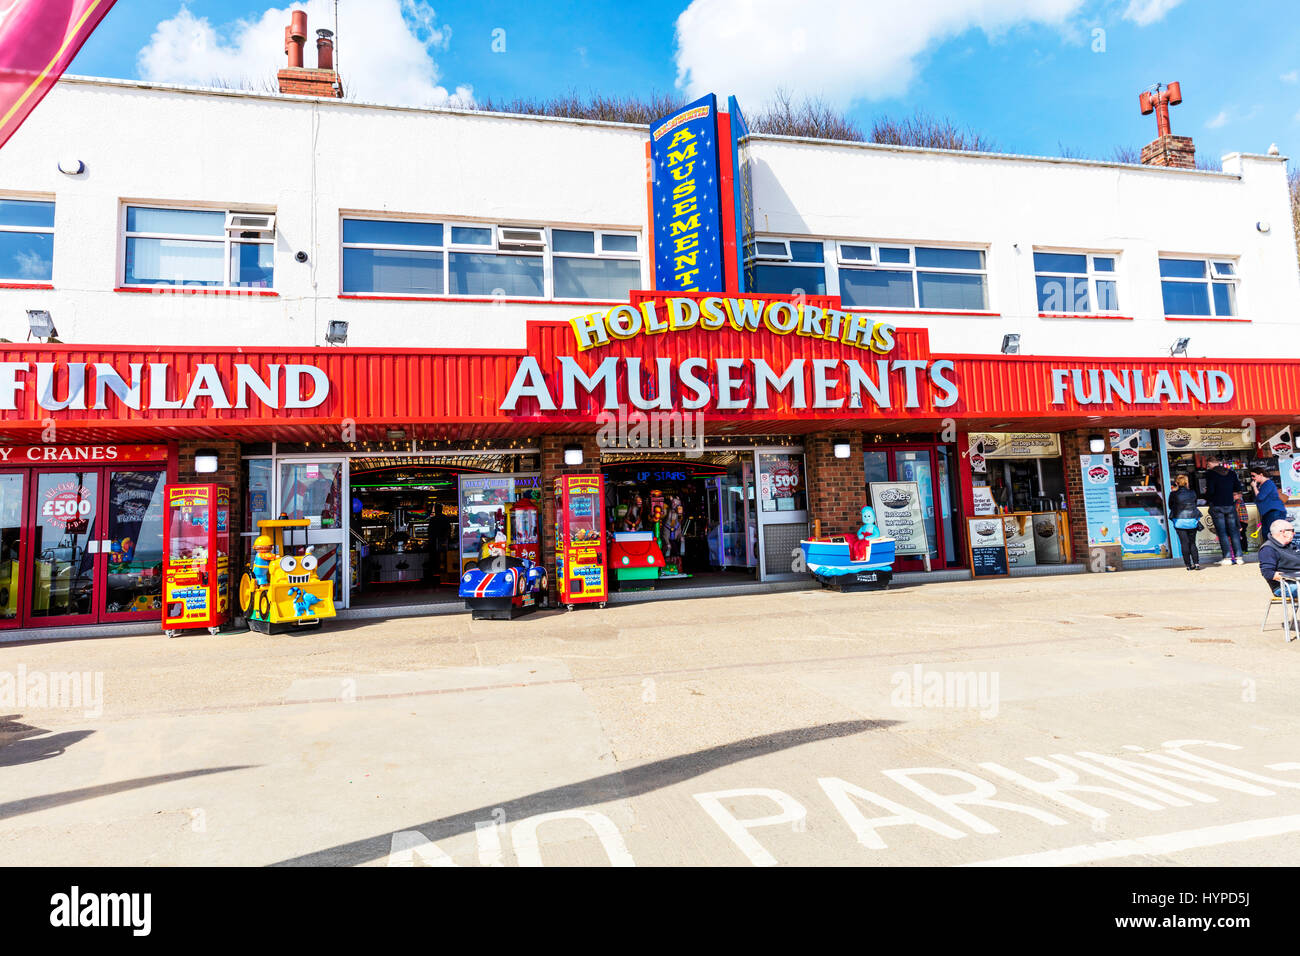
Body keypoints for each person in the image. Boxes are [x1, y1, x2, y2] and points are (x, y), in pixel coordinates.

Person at [1258, 519, 1300, 639]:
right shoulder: (1268, 549)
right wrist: (1292, 577)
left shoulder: (1292, 545)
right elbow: (1268, 573)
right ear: (1282, 532)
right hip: (1283, 586)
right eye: (1292, 530)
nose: (1294, 533)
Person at [1204, 457, 1244, 566]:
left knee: (1222, 532)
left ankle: (1227, 558)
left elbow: (1211, 491)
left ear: (1212, 463)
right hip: (1229, 505)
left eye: (1208, 465)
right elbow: (1238, 487)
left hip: (1217, 505)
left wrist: (1206, 494)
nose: (1208, 467)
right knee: (1234, 531)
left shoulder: (1211, 474)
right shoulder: (1231, 473)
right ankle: (1239, 557)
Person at [1168, 474, 1202, 571]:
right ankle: (1197, 563)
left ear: (1176, 483)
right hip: (1192, 520)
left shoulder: (1173, 494)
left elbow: (1170, 506)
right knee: (1192, 543)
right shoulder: (1192, 492)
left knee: (1184, 543)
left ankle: (1188, 565)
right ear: (1187, 482)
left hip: (1179, 521)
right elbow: (1194, 504)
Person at [1250, 466, 1290, 540]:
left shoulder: (1268, 483)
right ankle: (1270, 550)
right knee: (1267, 533)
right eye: (1251, 476)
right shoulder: (1262, 484)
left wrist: (1254, 487)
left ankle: (1277, 550)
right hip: (1268, 512)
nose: (1252, 478)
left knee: (1274, 534)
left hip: (1274, 512)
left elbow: (1260, 497)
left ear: (1261, 475)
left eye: (1253, 476)